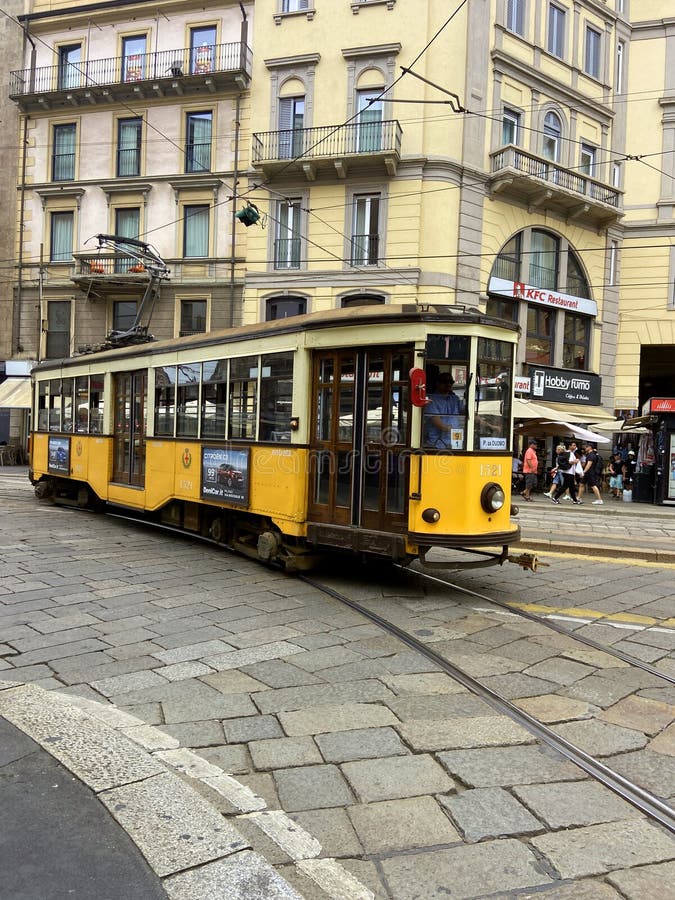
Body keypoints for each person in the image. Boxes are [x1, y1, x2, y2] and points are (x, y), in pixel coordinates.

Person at [425, 372, 463, 448]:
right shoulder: (431, 400)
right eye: (445, 381)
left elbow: (466, 412)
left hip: (456, 442)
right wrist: (454, 430)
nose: (448, 384)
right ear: (437, 383)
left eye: (451, 382)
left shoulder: (455, 399)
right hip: (437, 444)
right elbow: (439, 424)